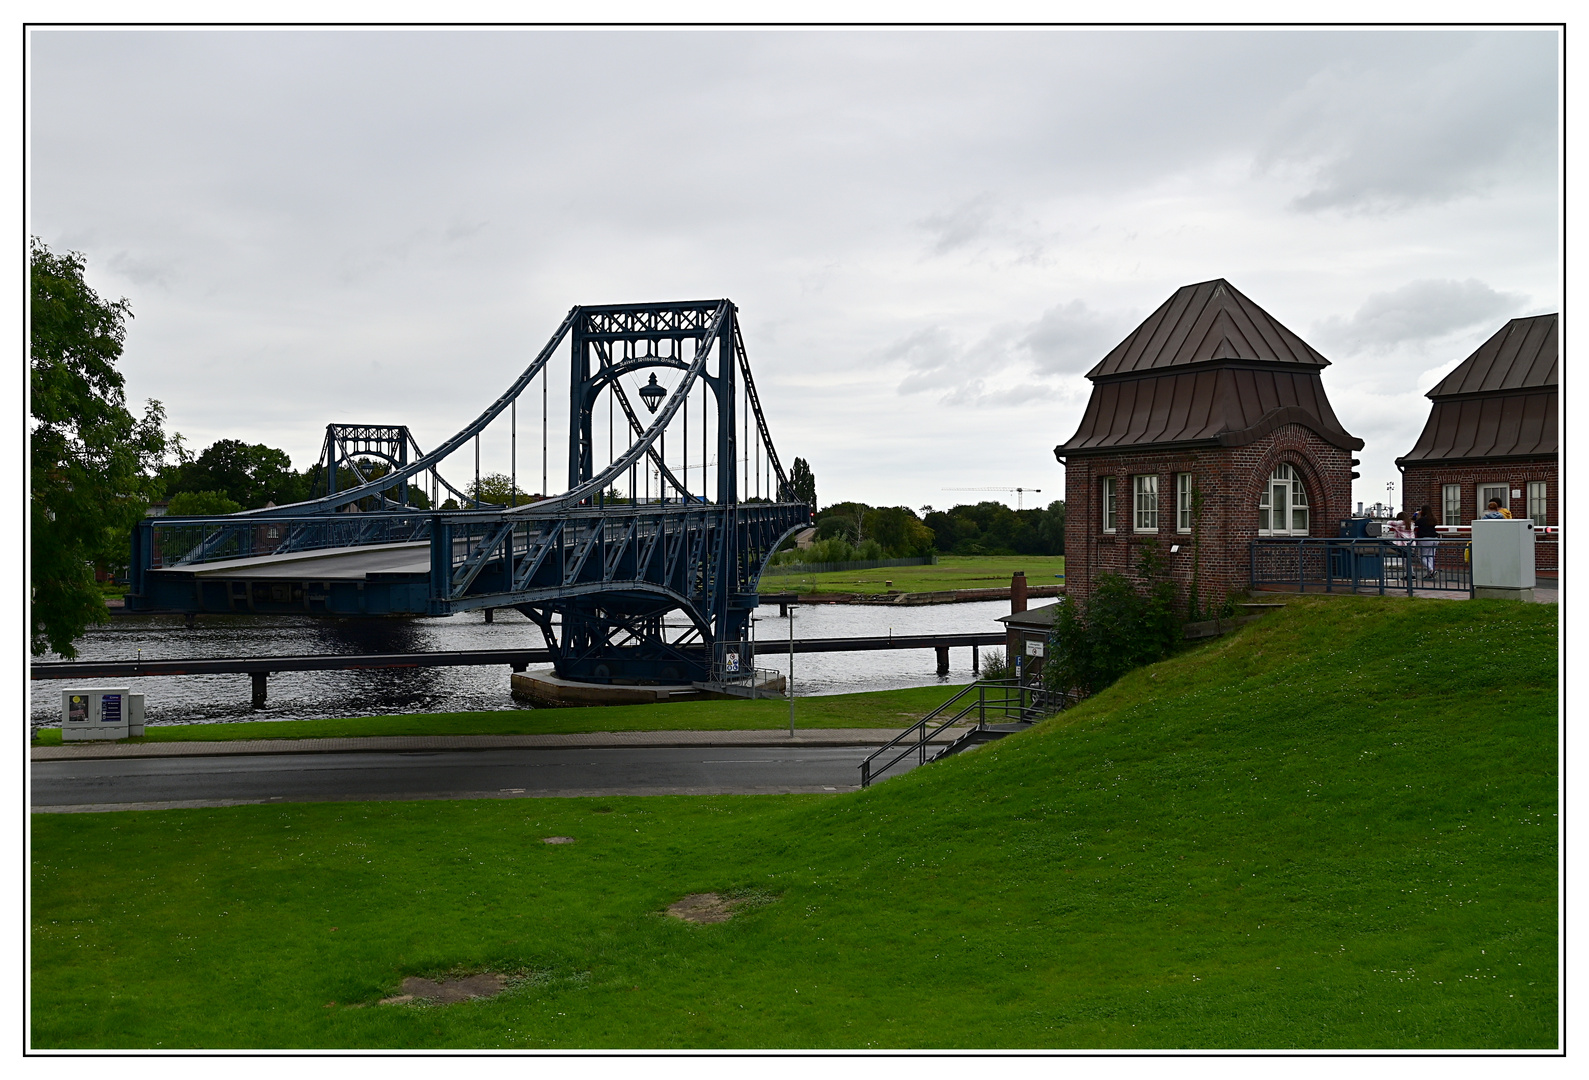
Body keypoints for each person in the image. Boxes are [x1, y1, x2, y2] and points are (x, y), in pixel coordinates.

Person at [1414, 503, 1438, 579]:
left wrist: (1416, 515)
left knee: (1422, 557)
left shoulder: (1422, 520)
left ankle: (1431, 570)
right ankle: (1430, 574)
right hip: (1435, 539)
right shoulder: (1433, 519)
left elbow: (1414, 522)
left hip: (1425, 539)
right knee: (1431, 556)